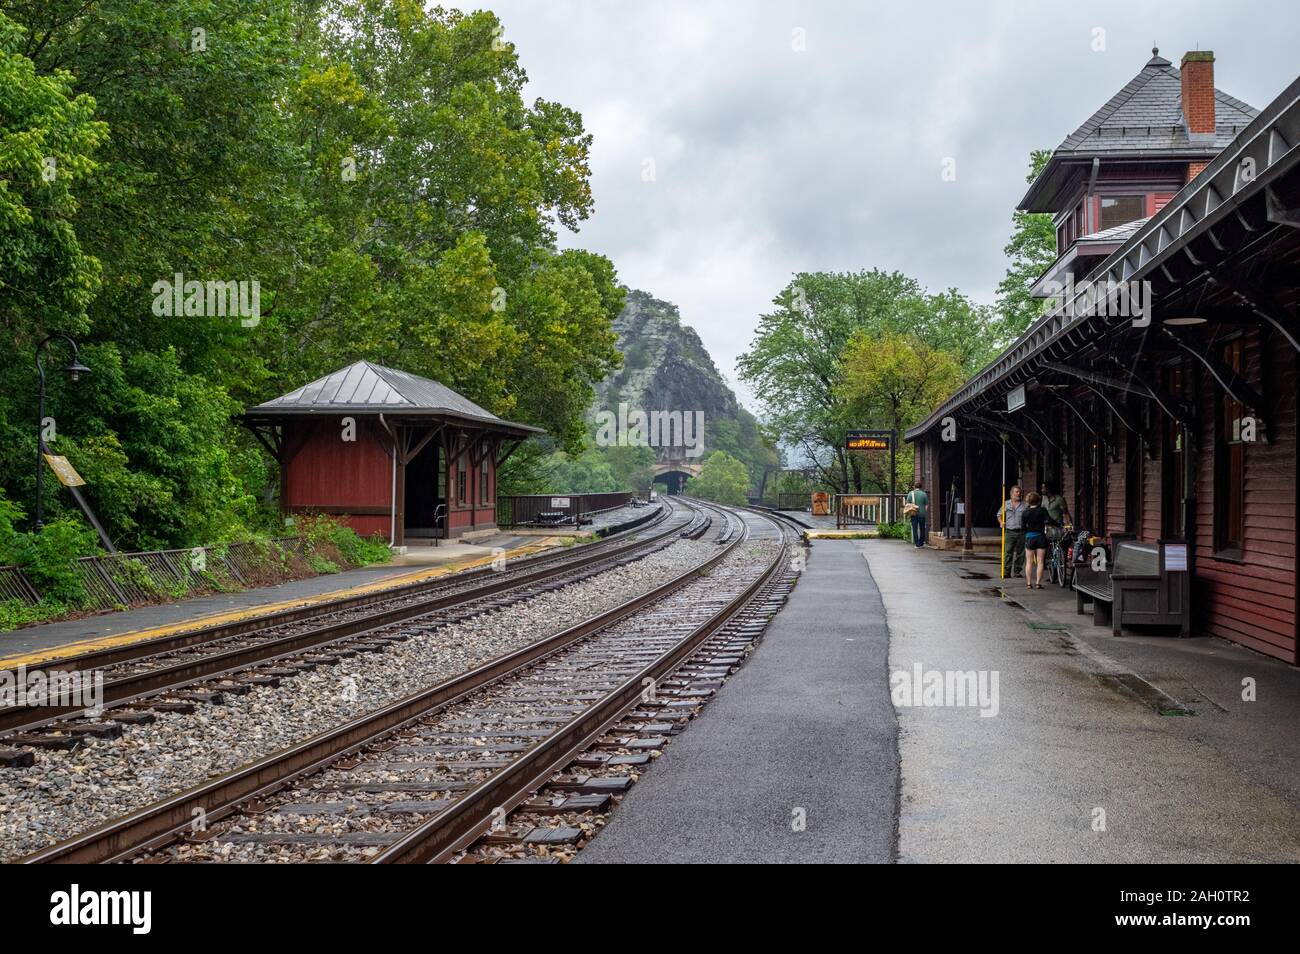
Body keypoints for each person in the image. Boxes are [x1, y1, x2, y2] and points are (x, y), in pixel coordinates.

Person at [1021, 491, 1061, 589]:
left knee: (1029, 562)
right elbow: (1050, 520)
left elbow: (1022, 527)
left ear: (1028, 501)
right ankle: (1038, 583)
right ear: (1038, 501)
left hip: (1030, 538)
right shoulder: (1042, 510)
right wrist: (1059, 524)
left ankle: (1029, 584)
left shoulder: (1025, 512)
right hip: (1040, 537)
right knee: (1040, 562)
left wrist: (1027, 533)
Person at [998, 485, 1027, 580]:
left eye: (1020, 492)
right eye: (1017, 492)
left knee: (1020, 553)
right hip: (1009, 531)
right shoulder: (1006, 504)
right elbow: (999, 515)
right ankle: (1006, 572)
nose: (1019, 494)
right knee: (1008, 552)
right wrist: (1001, 522)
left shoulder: (1025, 505)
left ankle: (1017, 571)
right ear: (1011, 494)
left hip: (1021, 531)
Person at [904, 478, 929, 548]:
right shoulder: (924, 494)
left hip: (913, 513)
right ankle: (921, 543)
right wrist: (923, 511)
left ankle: (917, 544)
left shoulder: (910, 494)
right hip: (922, 514)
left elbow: (908, 504)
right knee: (922, 529)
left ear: (914, 487)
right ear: (921, 487)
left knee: (914, 529)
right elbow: (926, 506)